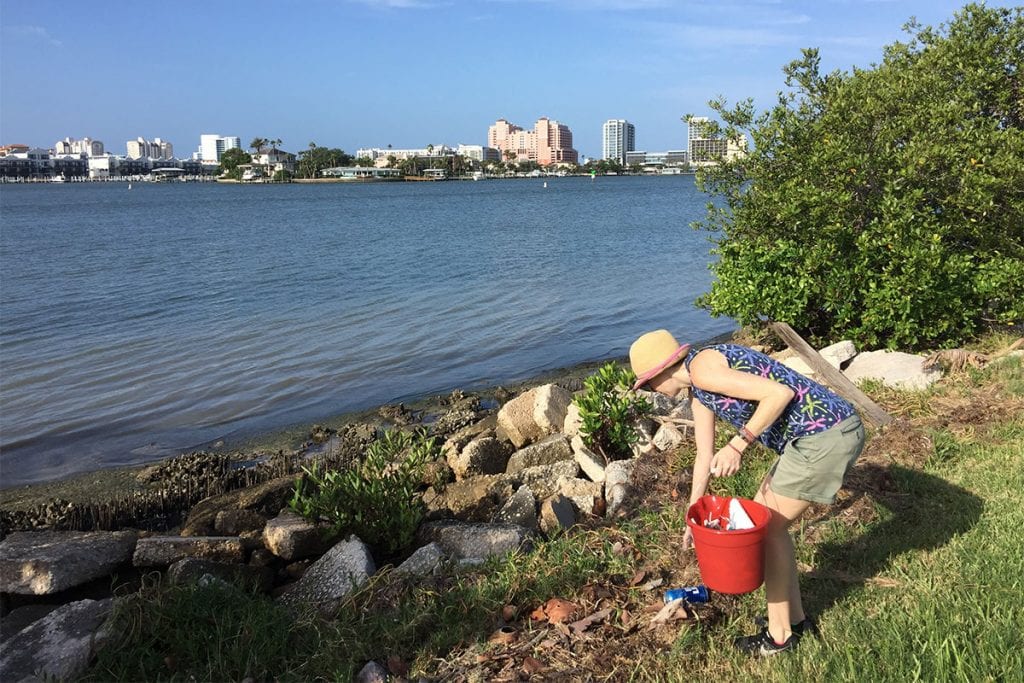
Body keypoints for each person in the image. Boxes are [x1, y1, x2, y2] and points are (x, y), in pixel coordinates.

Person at [629, 329, 865, 656]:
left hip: (824, 436)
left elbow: (778, 394)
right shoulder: (699, 390)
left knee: (763, 529)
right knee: (768, 527)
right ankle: (793, 621)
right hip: (820, 434)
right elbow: (703, 456)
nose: (652, 390)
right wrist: (693, 513)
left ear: (662, 371)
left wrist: (737, 445)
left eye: (648, 383)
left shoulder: (704, 369)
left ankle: (779, 638)